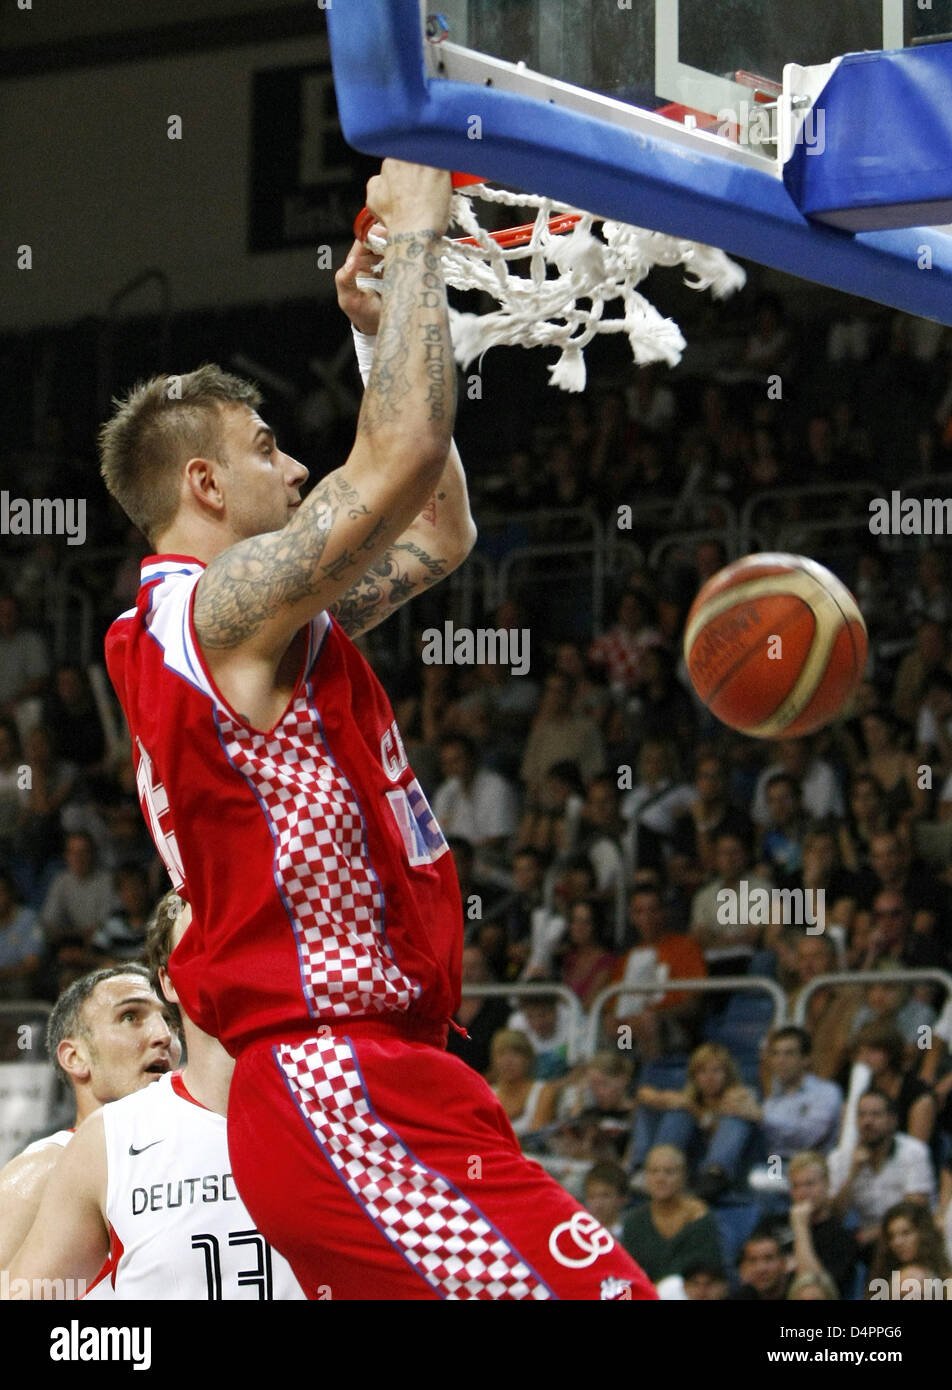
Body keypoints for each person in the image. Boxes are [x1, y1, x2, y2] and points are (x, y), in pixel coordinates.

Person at [99, 160, 654, 1300]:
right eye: (265, 449)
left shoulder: (257, 625)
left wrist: (374, 331)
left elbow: (438, 528)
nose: (295, 465)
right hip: (330, 1075)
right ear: (202, 482)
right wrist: (409, 239)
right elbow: (392, 458)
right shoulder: (215, 611)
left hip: (383, 1068)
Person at [6, 893, 305, 1299]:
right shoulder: (66, 1158)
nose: (162, 1036)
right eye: (130, 1018)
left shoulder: (323, 1104)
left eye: (163, 1019)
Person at [0, 964, 178, 1268]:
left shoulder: (193, 1157)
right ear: (76, 1057)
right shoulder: (43, 1170)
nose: (163, 1035)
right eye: (130, 1017)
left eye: (170, 1020)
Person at [631, 1042, 762, 1198]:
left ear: (727, 1074)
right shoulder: (687, 1100)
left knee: (733, 1119)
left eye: (716, 1070)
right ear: (694, 1076)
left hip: (730, 1167)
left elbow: (721, 1133)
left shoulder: (739, 1096)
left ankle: (714, 1174)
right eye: (702, 1071)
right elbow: (643, 1094)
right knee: (675, 1113)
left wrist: (694, 1110)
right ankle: (649, 1168)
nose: (709, 1077)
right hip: (688, 1164)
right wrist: (667, 1100)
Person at [829, 1089, 935, 1254]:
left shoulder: (913, 1152)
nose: (867, 1122)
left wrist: (871, 1235)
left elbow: (915, 1210)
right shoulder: (839, 1158)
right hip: (864, 1242)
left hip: (909, 1236)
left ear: (892, 1120)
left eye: (875, 1115)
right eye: (862, 1115)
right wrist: (853, 1174)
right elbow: (834, 1216)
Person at [621, 1144, 722, 1284]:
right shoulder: (634, 1221)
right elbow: (626, 1276)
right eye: (654, 1171)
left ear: (684, 1176)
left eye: (669, 1172)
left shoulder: (700, 1217)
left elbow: (710, 1272)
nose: (660, 1179)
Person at [761, 1027, 843, 1162]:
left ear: (806, 1059)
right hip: (775, 1164)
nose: (780, 1060)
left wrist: (761, 1117)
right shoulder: (771, 1101)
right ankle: (717, 1172)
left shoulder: (826, 1092)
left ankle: (717, 1173)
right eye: (775, 1054)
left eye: (789, 1054)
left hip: (811, 1166)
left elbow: (809, 1137)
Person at [786, 1150, 858, 1298]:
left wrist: (800, 1227)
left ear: (827, 1184)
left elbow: (819, 1290)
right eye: (796, 1186)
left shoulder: (841, 1238)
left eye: (809, 1184)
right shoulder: (771, 1224)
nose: (802, 1192)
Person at [865, 1199, 952, 1299]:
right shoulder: (899, 1277)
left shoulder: (945, 1276)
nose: (897, 1242)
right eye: (891, 1236)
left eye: (906, 1233)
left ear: (923, 1233)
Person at [729, 1227, 791, 1301]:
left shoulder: (801, 1293)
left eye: (769, 1259)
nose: (761, 1268)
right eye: (753, 1261)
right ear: (744, 1267)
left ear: (783, 1263)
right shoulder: (740, 1296)